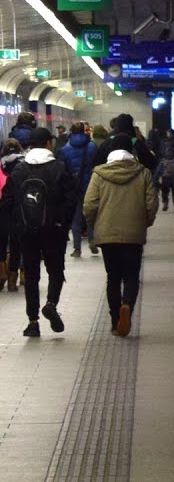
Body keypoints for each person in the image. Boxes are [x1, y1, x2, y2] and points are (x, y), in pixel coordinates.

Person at [0, 128, 77, 337]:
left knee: (32, 275)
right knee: (55, 271)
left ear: (30, 145)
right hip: (54, 230)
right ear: (48, 144)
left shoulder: (19, 171)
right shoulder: (59, 168)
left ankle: (33, 322)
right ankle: (51, 304)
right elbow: (71, 199)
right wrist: (63, 223)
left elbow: (6, 201)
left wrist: (17, 225)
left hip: (27, 231)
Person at [82, 148, 158, 337]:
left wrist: (93, 225)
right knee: (131, 276)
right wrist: (144, 222)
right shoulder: (143, 173)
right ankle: (127, 307)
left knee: (113, 277)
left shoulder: (99, 174)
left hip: (107, 235)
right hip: (134, 234)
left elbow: (89, 204)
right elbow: (152, 203)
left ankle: (116, 321)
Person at [60, 123, 98, 257]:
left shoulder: (65, 149)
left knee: (76, 218)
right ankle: (93, 240)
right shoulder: (92, 146)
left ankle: (77, 248)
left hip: (73, 187)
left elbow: (63, 169)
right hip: (90, 185)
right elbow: (97, 164)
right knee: (91, 214)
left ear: (71, 131)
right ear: (84, 131)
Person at [93, 113, 158, 170]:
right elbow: (151, 163)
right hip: (133, 179)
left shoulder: (108, 142)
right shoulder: (136, 142)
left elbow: (97, 162)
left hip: (110, 179)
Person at [0, 138, 21, 291]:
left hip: (2, 208)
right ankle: (13, 280)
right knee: (16, 245)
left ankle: (1, 276)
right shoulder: (24, 166)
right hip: (19, 210)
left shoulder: (1, 165)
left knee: (1, 243)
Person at [157, 129, 174, 213]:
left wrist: (156, 178)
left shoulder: (163, 160)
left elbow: (158, 170)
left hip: (165, 176)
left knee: (165, 191)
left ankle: (165, 203)